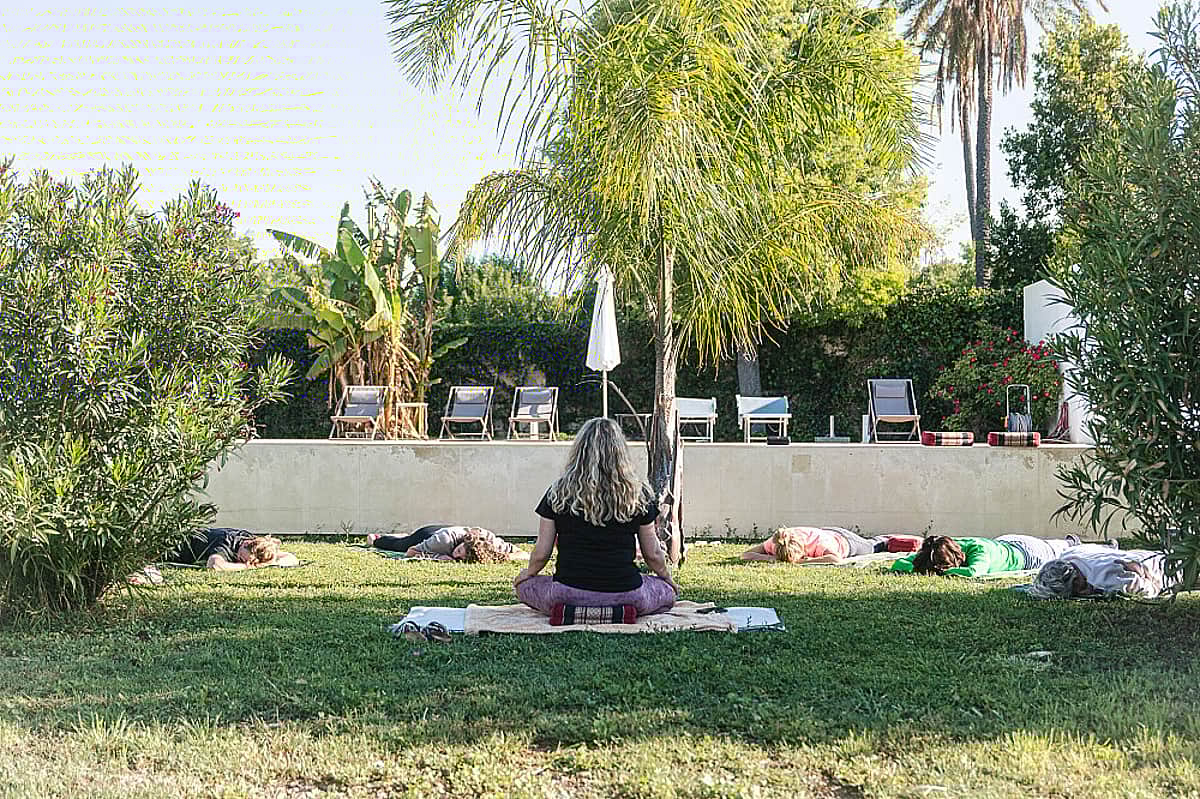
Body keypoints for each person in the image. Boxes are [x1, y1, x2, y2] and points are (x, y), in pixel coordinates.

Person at [514, 417, 678, 620]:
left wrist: (528, 574)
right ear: (620, 452)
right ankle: (620, 612)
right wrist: (666, 578)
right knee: (665, 591)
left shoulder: (558, 492)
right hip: (627, 593)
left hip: (566, 594)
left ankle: (570, 611)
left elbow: (541, 553)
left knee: (524, 585)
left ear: (579, 451)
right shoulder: (639, 494)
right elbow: (652, 553)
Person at [891, 534, 1093, 577]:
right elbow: (899, 564)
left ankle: (1073, 542)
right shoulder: (938, 547)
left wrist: (941, 572)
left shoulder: (979, 551)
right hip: (1005, 542)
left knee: (1064, 551)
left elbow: (973, 572)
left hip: (1028, 553)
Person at [1028, 545, 1167, 599]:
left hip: (1169, 573)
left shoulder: (1104, 579)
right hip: (1157, 554)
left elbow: (1150, 590)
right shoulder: (1070, 553)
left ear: (1075, 582)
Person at [741, 527, 922, 564]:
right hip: (825, 530)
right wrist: (770, 558)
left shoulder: (820, 545)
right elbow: (746, 555)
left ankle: (893, 539)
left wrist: (804, 562)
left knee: (874, 545)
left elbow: (835, 559)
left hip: (844, 541)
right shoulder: (776, 542)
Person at [367, 525, 528, 563]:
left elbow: (524, 554)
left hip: (448, 532)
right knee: (401, 545)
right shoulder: (443, 541)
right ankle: (376, 538)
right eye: (458, 552)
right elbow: (411, 552)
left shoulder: (490, 543)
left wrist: (503, 557)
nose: (456, 557)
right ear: (463, 543)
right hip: (431, 534)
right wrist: (438, 557)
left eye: (461, 559)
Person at [165, 528, 299, 571]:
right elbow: (215, 565)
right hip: (169, 548)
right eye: (241, 558)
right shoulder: (226, 543)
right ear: (246, 544)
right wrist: (246, 567)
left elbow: (291, 558)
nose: (239, 560)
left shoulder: (255, 543)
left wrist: (271, 563)